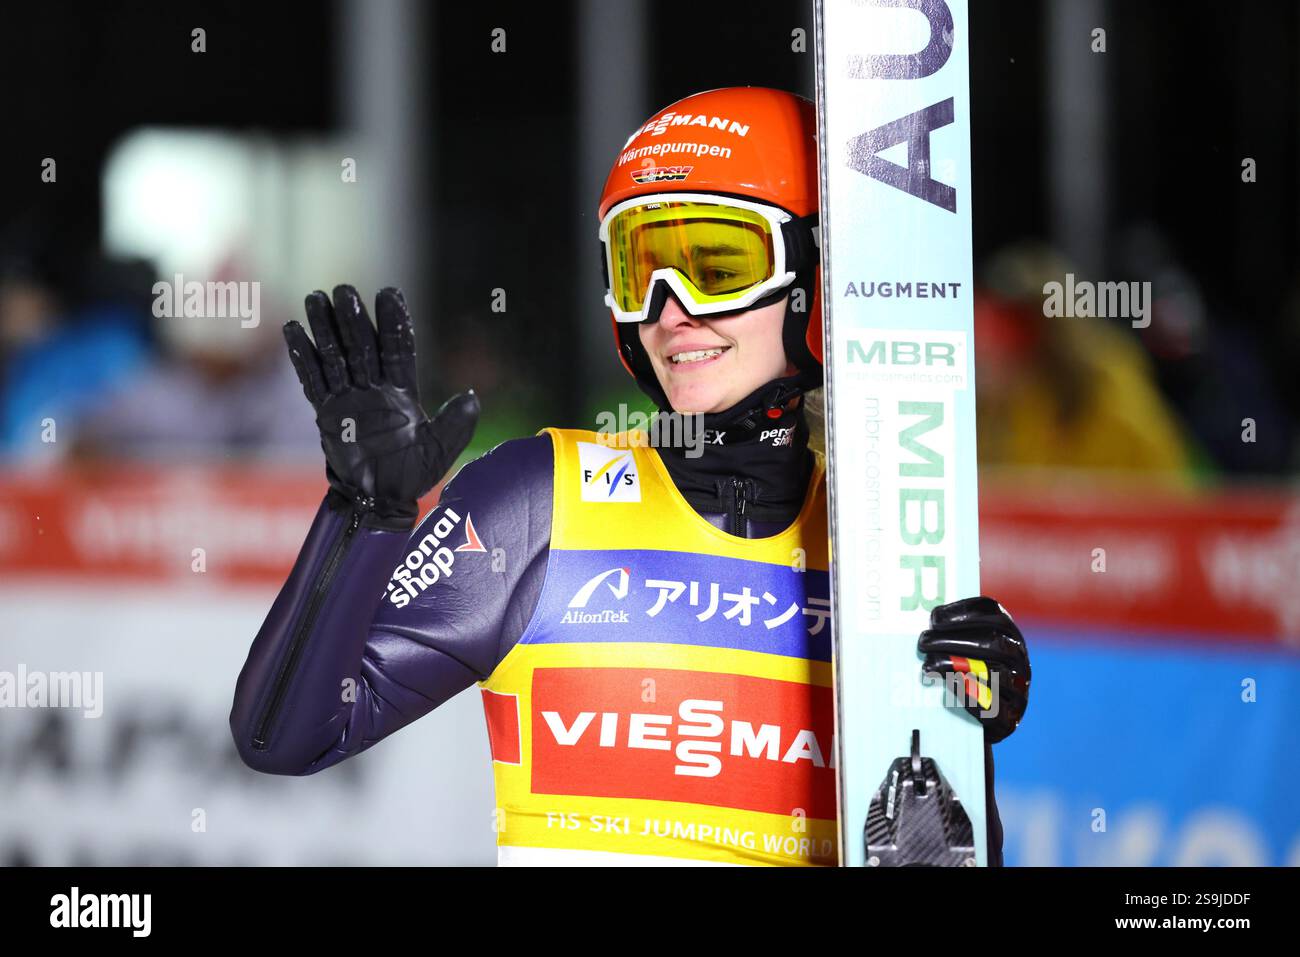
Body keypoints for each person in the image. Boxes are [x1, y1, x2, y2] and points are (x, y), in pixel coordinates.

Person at [230, 87, 1031, 866]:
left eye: (719, 265)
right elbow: (284, 737)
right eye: (641, 265)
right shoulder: (542, 501)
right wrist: (362, 513)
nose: (670, 310)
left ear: (817, 276)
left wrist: (966, 748)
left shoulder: (884, 545)